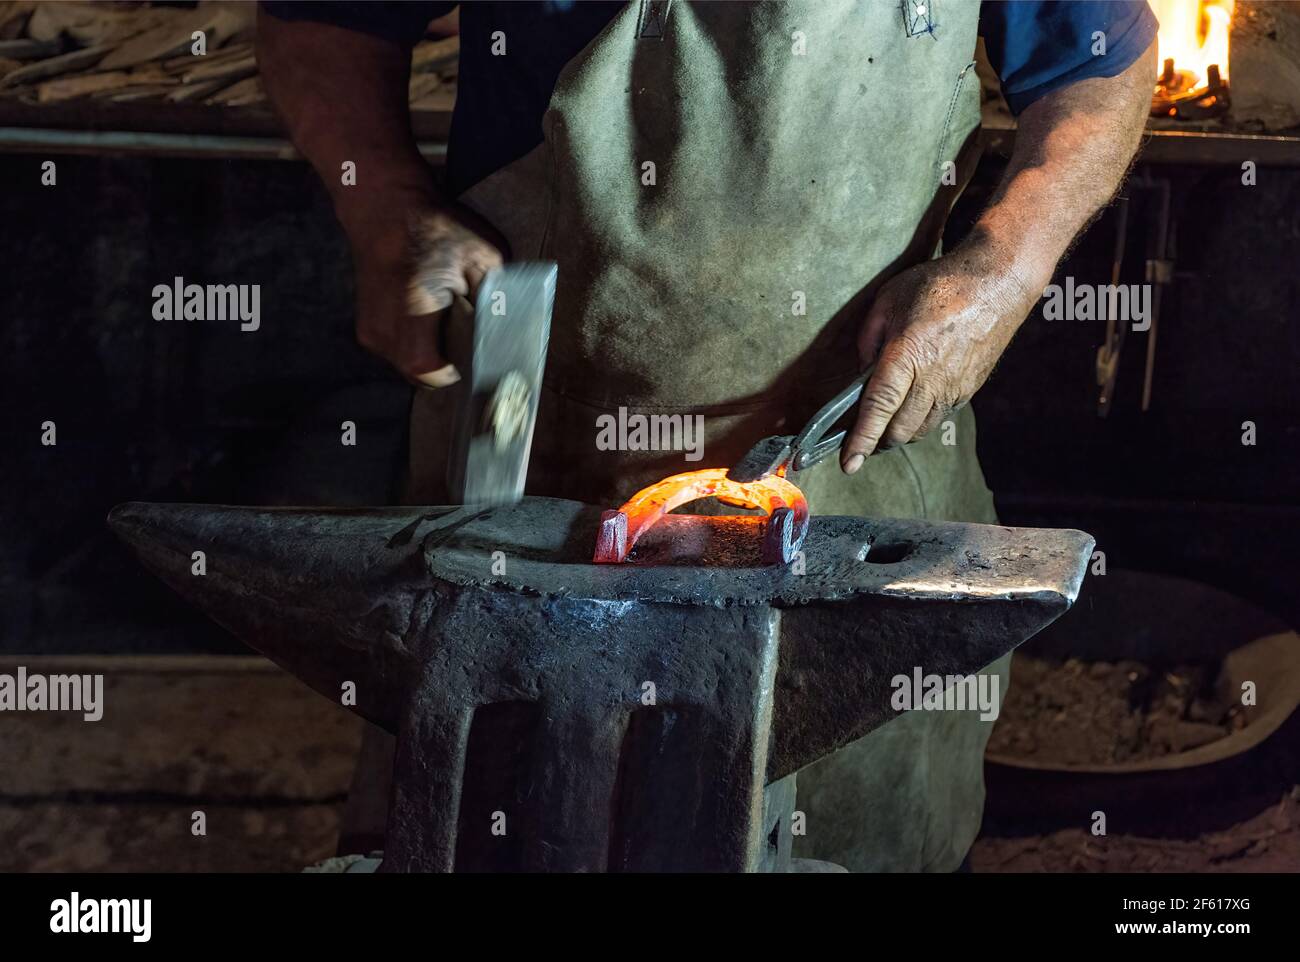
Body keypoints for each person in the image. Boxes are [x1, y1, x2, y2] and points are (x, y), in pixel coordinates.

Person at [258, 0, 1157, 871]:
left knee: (850, 835)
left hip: (846, 463)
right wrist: (384, 206)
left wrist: (1004, 271)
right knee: (501, 818)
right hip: (528, 464)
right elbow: (325, 20)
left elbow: (1101, 67)